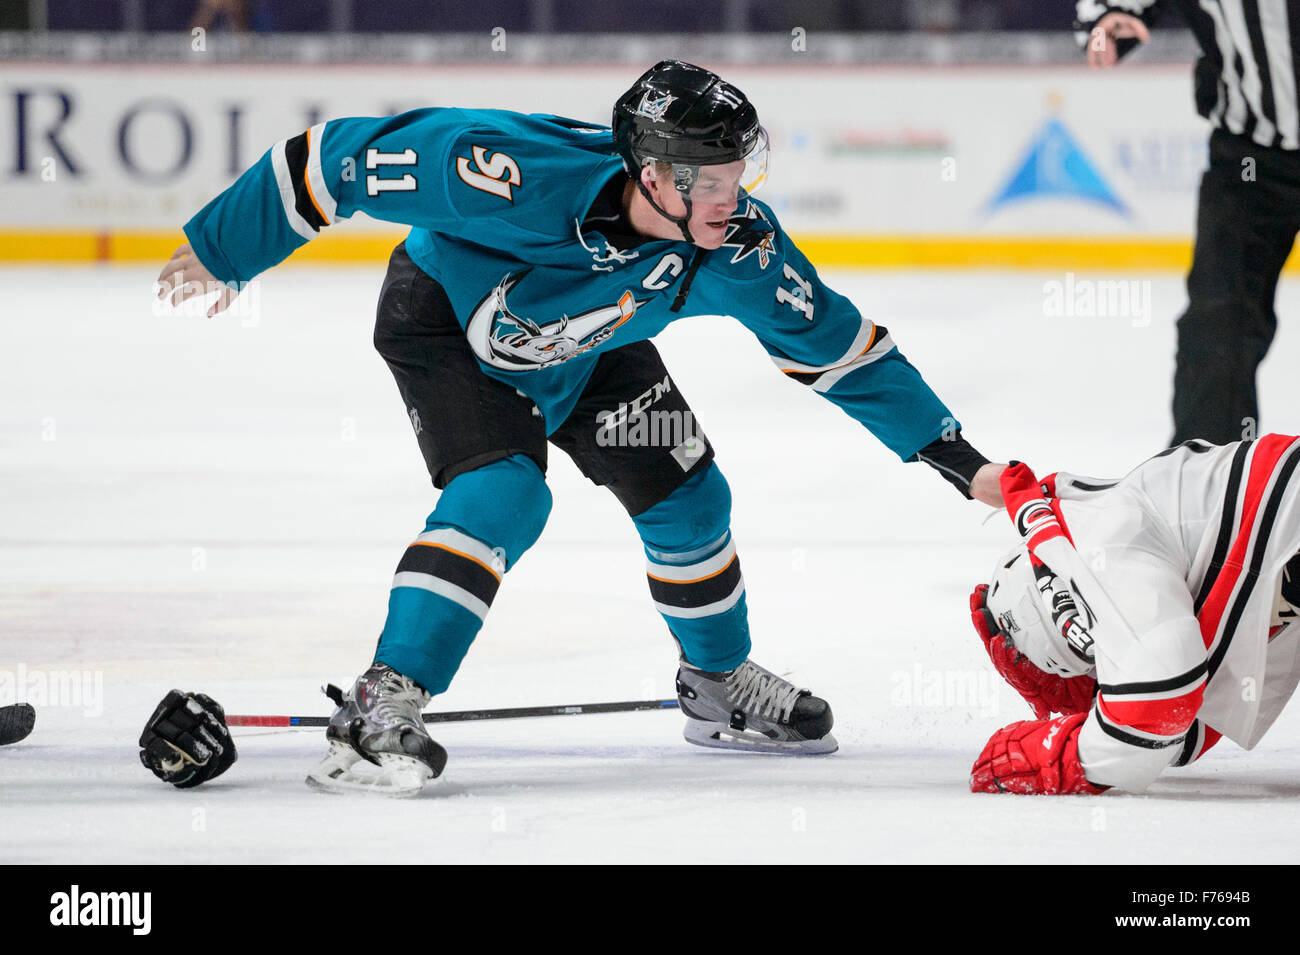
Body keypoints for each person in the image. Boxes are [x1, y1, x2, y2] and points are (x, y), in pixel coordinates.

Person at [157, 60, 1007, 795]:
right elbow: (329, 158)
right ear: (651, 175)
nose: (731, 197)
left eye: (737, 174)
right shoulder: (502, 170)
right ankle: (380, 702)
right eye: (709, 180)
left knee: (689, 495)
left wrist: (965, 464)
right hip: (449, 323)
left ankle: (717, 683)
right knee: (506, 495)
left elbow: (840, 350)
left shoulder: (737, 248)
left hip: (593, 339)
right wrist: (226, 250)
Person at [967, 437, 1300, 795]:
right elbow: (1185, 725)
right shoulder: (1131, 531)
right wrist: (1101, 699)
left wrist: (1052, 756)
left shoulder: (1101, 539)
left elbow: (1157, 710)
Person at [1077, 2, 1300, 445]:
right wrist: (1104, 24)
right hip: (1251, 159)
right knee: (1218, 323)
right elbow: (1101, 19)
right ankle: (1208, 473)